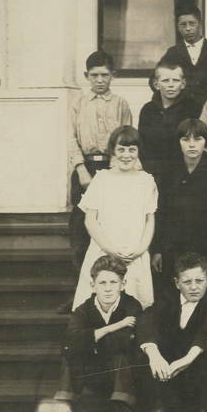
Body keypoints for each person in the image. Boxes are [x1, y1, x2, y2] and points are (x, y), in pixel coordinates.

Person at [135, 252, 207, 412]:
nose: (194, 287)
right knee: (146, 348)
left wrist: (187, 360)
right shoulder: (169, 297)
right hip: (170, 369)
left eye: (199, 281)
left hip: (197, 369)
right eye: (187, 282)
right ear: (177, 283)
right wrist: (154, 354)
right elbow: (147, 319)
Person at [71, 125, 157, 312]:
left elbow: (150, 219)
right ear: (113, 151)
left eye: (132, 150)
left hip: (134, 254)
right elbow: (90, 220)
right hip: (105, 252)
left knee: (135, 308)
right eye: (121, 150)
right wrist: (110, 251)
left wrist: (140, 250)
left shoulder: (146, 181)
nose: (126, 155)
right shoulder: (102, 180)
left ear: (138, 152)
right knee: (101, 304)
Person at [54, 257, 139, 412]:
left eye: (113, 282)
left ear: (122, 284)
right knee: (69, 357)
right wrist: (111, 328)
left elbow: (125, 341)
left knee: (122, 357)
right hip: (91, 369)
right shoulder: (84, 309)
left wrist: (90, 341)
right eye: (102, 283)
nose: (108, 288)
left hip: (119, 373)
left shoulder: (131, 306)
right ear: (93, 286)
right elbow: (69, 342)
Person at [67, 49, 132, 272]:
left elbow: (127, 138)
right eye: (95, 75)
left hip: (112, 167)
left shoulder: (121, 104)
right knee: (81, 229)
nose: (100, 80)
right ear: (87, 76)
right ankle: (79, 290)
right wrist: (81, 169)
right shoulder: (78, 103)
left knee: (110, 225)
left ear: (112, 75)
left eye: (104, 75)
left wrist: (116, 170)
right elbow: (70, 138)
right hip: (85, 168)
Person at [151, 119, 207, 295]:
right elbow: (160, 213)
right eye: (186, 139)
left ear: (205, 142)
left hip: (205, 246)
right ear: (178, 142)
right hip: (173, 247)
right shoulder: (169, 172)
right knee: (172, 293)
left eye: (197, 139)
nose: (192, 145)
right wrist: (157, 250)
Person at [138, 61, 199, 187]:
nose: (170, 85)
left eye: (175, 80)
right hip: (153, 174)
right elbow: (142, 145)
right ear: (156, 84)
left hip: (183, 174)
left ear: (183, 84)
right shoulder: (148, 110)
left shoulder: (192, 108)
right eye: (165, 81)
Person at [159, 5, 207, 114]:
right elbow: (156, 78)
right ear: (178, 27)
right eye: (183, 25)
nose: (188, 28)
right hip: (180, 110)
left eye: (192, 24)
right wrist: (169, 101)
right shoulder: (173, 53)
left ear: (200, 24)